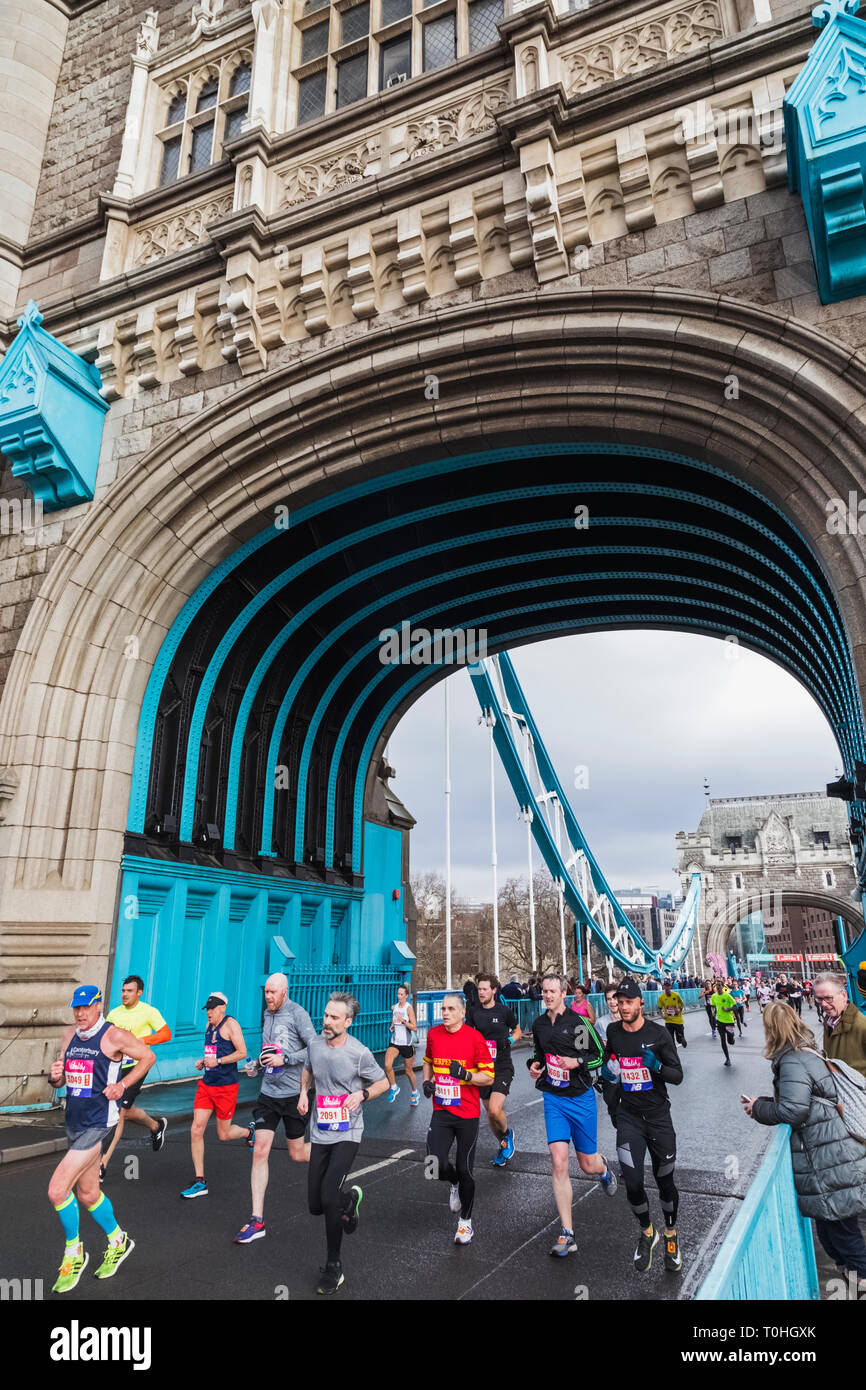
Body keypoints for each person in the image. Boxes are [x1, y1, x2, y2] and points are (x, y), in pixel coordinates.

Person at [742, 1001, 866, 1298]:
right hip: (828, 1153)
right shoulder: (807, 1052)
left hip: (828, 1158)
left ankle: (861, 1279)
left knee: (843, 1233)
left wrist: (758, 1109)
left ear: (772, 1030)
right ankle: (852, 1280)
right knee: (830, 1230)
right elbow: (803, 1101)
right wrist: (762, 1102)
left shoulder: (792, 1060)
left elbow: (794, 1111)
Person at [48, 985, 154, 1292]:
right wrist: (56, 1076)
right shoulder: (69, 1036)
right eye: (75, 1009)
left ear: (98, 1006)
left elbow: (147, 1056)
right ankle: (118, 1241)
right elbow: (64, 1079)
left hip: (100, 1125)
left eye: (85, 1008)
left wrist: (122, 1085)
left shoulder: (114, 1036)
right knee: (89, 1195)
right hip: (75, 1123)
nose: (80, 1014)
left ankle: (74, 1252)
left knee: (57, 1190)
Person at [297, 993, 389, 1294]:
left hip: (348, 1132)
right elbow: (308, 1069)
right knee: (315, 1205)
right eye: (325, 1015)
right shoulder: (315, 1045)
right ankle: (349, 1201)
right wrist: (302, 1093)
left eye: (334, 1017)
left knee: (327, 1196)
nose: (326, 1021)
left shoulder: (358, 1053)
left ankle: (334, 1266)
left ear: (348, 1022)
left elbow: (383, 1082)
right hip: (321, 1130)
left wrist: (361, 1095)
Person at [527, 972, 616, 1257]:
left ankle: (603, 1168)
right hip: (553, 1098)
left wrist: (576, 1061)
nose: (548, 996)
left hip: (580, 1099)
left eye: (553, 991)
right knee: (558, 1161)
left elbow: (601, 1055)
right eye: (544, 991)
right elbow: (537, 1053)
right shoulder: (539, 1024)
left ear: (563, 993)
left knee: (586, 1164)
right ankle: (568, 1233)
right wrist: (535, 1065)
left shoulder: (577, 1024)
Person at [602, 977, 684, 1273]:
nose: (622, 1007)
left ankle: (671, 1236)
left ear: (640, 1003)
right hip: (629, 1118)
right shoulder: (613, 1031)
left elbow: (678, 1075)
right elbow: (611, 1064)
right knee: (633, 1182)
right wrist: (608, 1075)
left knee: (665, 1181)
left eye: (627, 1002)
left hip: (659, 1119)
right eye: (619, 1002)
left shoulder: (659, 1034)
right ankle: (648, 1232)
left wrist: (657, 1067)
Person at [235, 973, 317, 1243]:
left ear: (285, 991)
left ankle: (330, 1151)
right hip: (269, 1093)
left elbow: (315, 1049)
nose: (268, 996)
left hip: (295, 1093)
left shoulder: (298, 1014)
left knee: (297, 1153)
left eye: (273, 992)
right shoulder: (267, 1014)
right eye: (266, 992)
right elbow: (270, 1049)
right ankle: (256, 1219)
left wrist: (287, 1058)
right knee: (260, 1150)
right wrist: (258, 1064)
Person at [422, 993, 495, 1245]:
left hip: (467, 1113)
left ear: (462, 1013)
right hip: (441, 1110)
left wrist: (465, 1075)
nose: (445, 1013)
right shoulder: (433, 1035)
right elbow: (429, 1062)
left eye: (451, 1009)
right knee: (433, 1165)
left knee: (466, 1168)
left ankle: (465, 1223)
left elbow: (489, 1077)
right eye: (443, 1008)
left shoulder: (474, 1039)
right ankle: (452, 1181)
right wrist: (426, 1082)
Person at [181, 991, 252, 1198]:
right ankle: (200, 1180)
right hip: (207, 1084)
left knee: (224, 1134)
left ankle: (249, 1133)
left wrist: (219, 1062)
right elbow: (212, 1052)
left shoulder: (231, 1025)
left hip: (226, 1087)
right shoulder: (208, 1026)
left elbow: (242, 1053)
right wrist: (203, 1061)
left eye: (212, 1008)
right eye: (207, 1009)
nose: (209, 1013)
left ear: (223, 1008)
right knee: (196, 1129)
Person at [101, 975, 171, 1180]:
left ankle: (102, 1165)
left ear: (139, 992)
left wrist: (142, 1040)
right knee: (127, 1109)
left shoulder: (148, 1011)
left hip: (136, 1066)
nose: (124, 994)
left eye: (129, 991)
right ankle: (156, 1126)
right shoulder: (114, 1013)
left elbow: (166, 1034)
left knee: (120, 1112)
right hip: (115, 1067)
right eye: (123, 991)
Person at [466, 973, 522, 1167]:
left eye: (484, 989)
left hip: (502, 1067)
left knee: (494, 1109)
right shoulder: (474, 1012)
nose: (481, 992)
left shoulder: (504, 1011)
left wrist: (510, 1040)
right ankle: (503, 1143)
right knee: (489, 1114)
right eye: (479, 989)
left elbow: (518, 1030)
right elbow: (467, 1034)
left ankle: (508, 1134)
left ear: (493, 990)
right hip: (482, 1069)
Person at [814, 972, 866, 1078]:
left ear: (843, 995)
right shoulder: (828, 1022)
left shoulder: (862, 1026)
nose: (823, 1004)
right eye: (819, 999)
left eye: (828, 998)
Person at [384, 983, 419, 1106]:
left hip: (407, 1044)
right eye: (398, 994)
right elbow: (395, 1021)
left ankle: (415, 1092)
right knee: (387, 1065)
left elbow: (414, 1027)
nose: (399, 996)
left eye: (401, 994)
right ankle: (394, 1087)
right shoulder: (394, 1007)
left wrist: (403, 1021)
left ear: (406, 996)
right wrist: (393, 1026)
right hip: (395, 1042)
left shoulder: (408, 1008)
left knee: (408, 1071)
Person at [711, 981, 737, 1066]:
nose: (718, 987)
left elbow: (735, 1006)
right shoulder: (714, 996)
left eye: (719, 985)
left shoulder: (727, 996)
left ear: (722, 986)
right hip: (720, 1021)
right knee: (722, 1040)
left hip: (729, 1021)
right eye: (716, 985)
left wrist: (727, 1010)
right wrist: (714, 1012)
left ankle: (732, 1037)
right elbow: (715, 1006)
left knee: (730, 1042)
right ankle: (727, 1059)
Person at [657, 980, 687, 1049]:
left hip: (678, 1021)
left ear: (670, 987)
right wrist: (662, 1016)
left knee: (679, 1040)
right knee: (670, 1039)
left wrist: (679, 1010)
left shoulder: (676, 995)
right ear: (663, 987)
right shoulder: (661, 998)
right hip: (668, 1021)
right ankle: (674, 1052)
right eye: (665, 986)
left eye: (668, 986)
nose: (667, 987)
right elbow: (659, 1009)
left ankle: (681, 1039)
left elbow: (682, 1004)